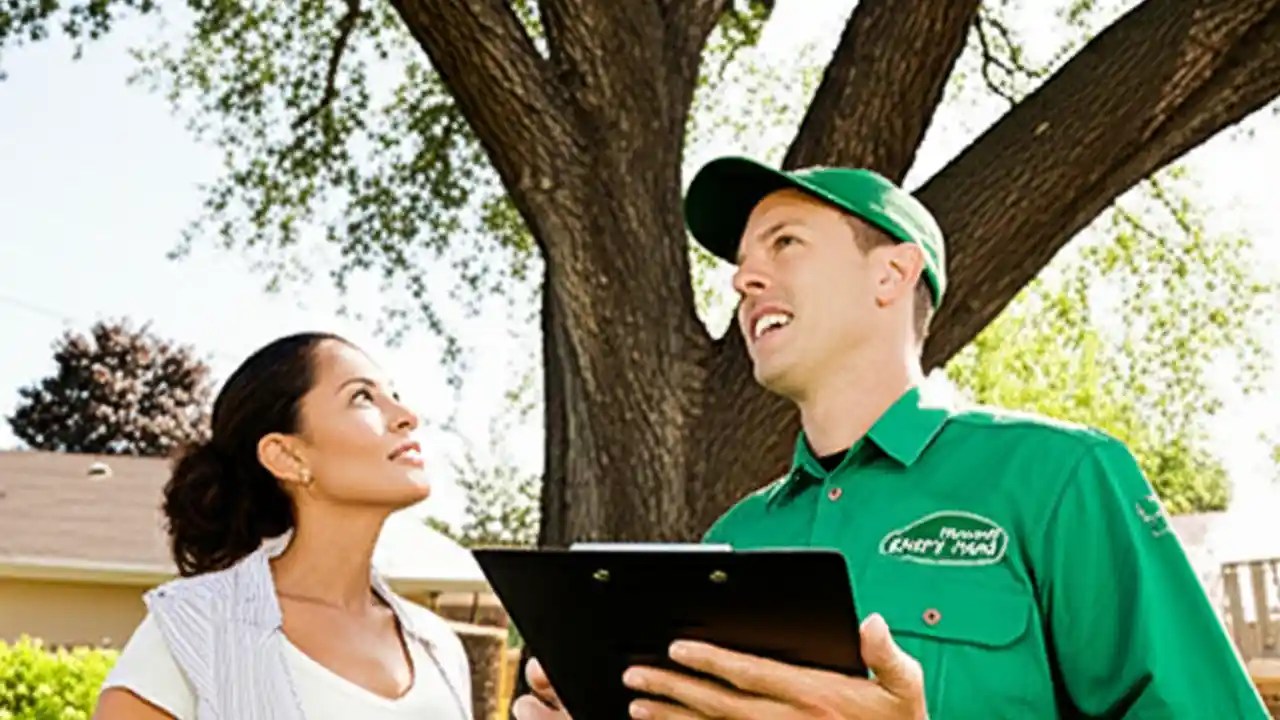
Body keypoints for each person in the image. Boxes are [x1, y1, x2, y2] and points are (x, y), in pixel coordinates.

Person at [512, 156, 1270, 719]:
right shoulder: (732, 539)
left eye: (784, 244)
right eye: (741, 266)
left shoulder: (1062, 476)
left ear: (893, 275)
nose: (745, 281)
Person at [92, 332, 473, 720]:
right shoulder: (197, 628)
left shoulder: (437, 647)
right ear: (286, 456)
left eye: (394, 394)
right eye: (362, 397)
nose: (406, 416)